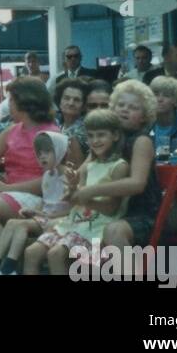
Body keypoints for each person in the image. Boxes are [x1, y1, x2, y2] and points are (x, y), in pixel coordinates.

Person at [23, 109, 130, 275]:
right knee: (31, 253)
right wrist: (72, 189)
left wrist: (83, 197)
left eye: (101, 135)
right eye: (91, 136)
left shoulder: (119, 166)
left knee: (55, 254)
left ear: (115, 135)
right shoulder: (88, 166)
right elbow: (73, 201)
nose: (95, 140)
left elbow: (112, 209)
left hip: (97, 227)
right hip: (75, 222)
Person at [0, 76, 60, 272]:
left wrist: (7, 187)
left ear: (25, 102)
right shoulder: (13, 130)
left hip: (37, 197)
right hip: (12, 193)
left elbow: (51, 179)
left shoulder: (50, 134)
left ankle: (4, 268)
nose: (8, 104)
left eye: (11, 99)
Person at [69, 80, 161, 255]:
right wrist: (70, 183)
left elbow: (137, 183)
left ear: (144, 116)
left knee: (113, 231)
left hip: (138, 212)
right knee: (61, 227)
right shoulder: (106, 139)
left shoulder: (141, 141)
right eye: (121, 105)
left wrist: (91, 191)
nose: (125, 109)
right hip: (106, 209)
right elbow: (80, 172)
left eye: (133, 107)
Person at [0, 131, 70, 275]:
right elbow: (47, 203)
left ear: (59, 150)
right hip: (46, 217)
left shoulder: (68, 177)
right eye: (39, 154)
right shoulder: (47, 176)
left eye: (47, 152)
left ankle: (9, 269)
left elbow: (73, 208)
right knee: (12, 223)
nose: (42, 157)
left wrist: (47, 216)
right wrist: (35, 212)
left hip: (61, 220)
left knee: (21, 226)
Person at [54, 78, 90, 166]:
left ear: (83, 106)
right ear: (59, 102)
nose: (71, 103)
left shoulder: (85, 129)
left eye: (76, 100)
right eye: (66, 98)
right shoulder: (57, 125)